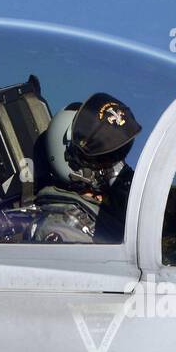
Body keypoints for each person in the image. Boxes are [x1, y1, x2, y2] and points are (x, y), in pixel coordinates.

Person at [32, 92, 140, 243]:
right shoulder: (64, 229)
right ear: (71, 162)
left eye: (117, 155)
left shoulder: (108, 210)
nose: (116, 166)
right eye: (105, 158)